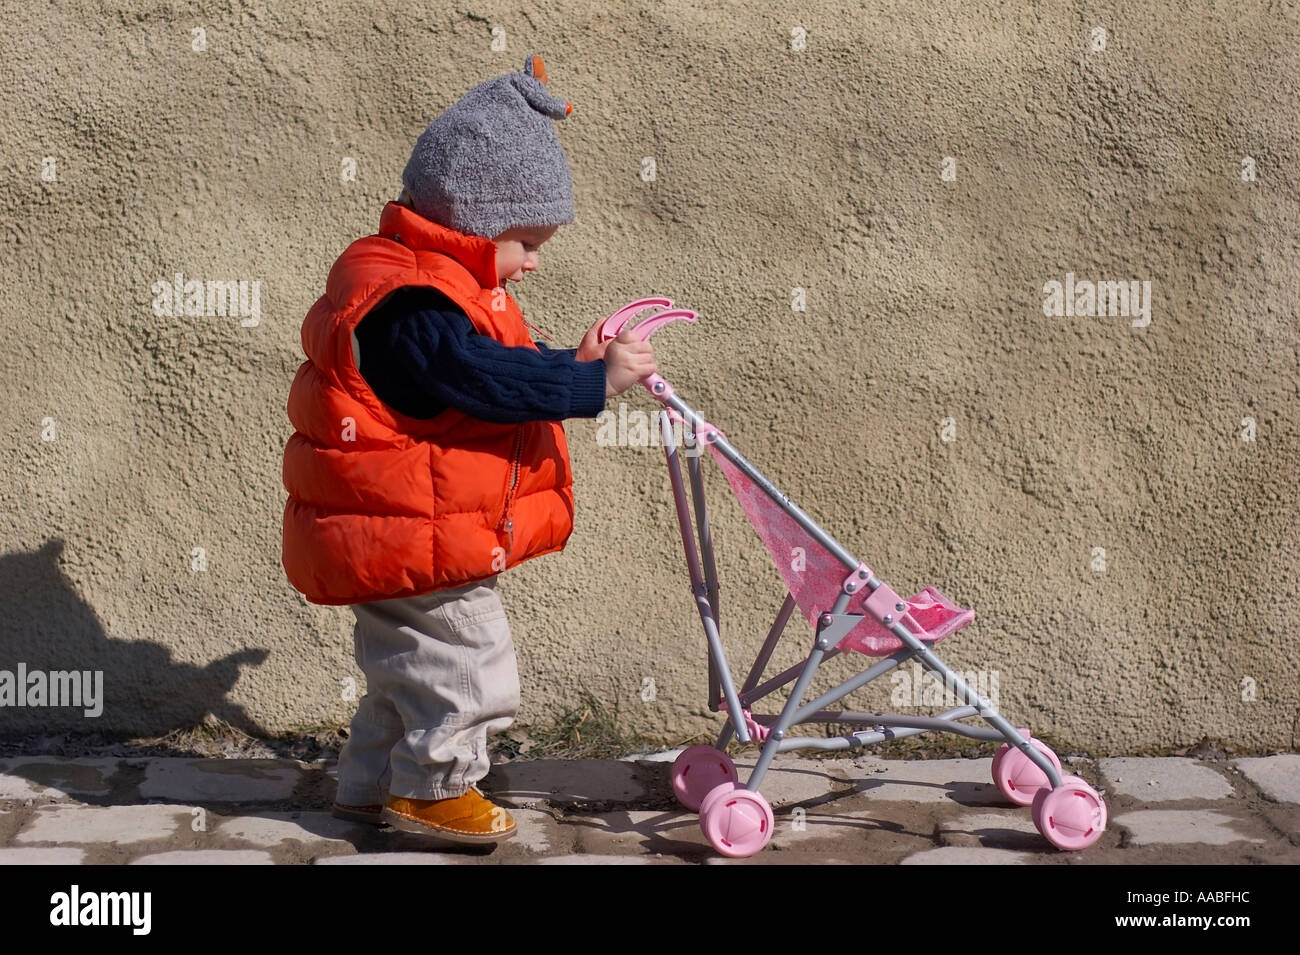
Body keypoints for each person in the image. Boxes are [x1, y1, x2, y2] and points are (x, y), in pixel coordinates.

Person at [280, 54, 655, 845]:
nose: (534, 260)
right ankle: (436, 791)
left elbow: (484, 365)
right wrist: (592, 385)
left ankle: (372, 783)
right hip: (411, 529)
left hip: (387, 523)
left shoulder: (420, 282)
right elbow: (479, 378)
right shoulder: (416, 303)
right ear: (475, 221)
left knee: (406, 670)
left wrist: (572, 362)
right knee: (469, 659)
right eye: (527, 241)